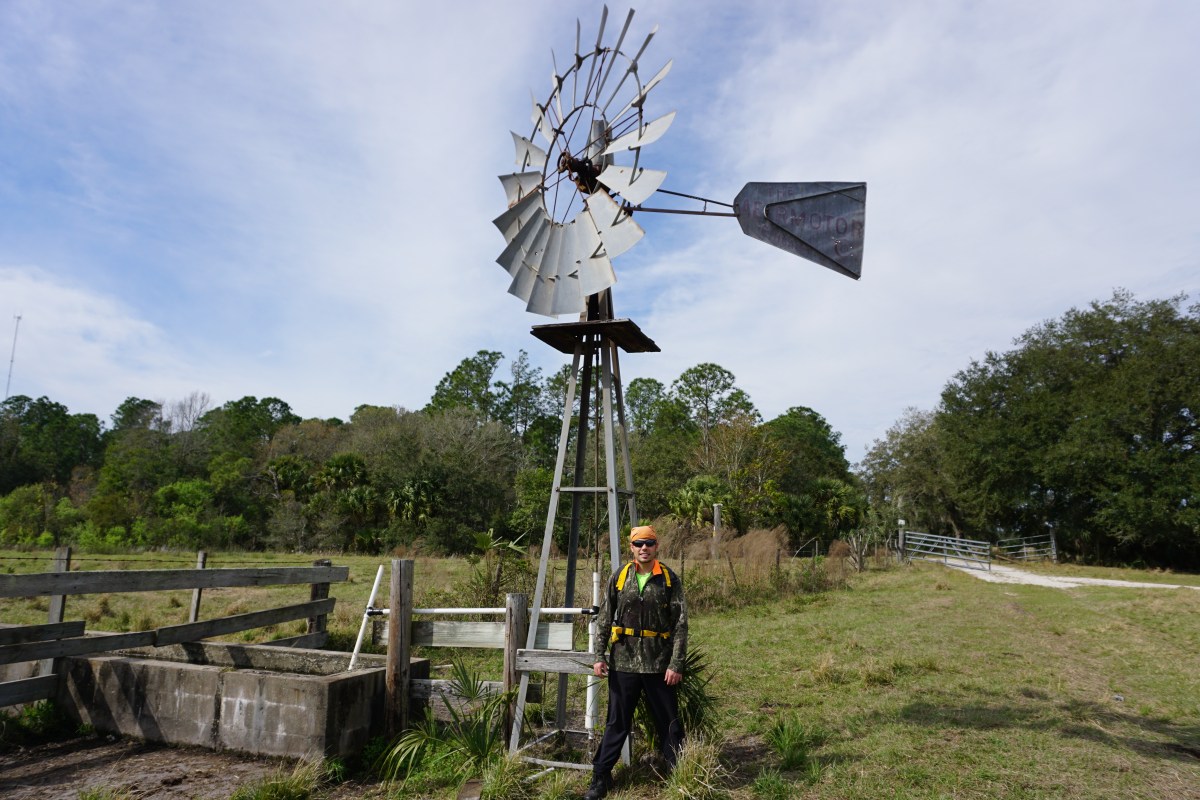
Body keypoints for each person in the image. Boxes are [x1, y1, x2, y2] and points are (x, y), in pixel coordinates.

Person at [584, 525, 688, 800]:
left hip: (659, 665)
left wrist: (676, 664)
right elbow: (605, 618)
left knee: (669, 724)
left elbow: (680, 624)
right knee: (616, 724)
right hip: (624, 664)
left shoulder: (668, 578)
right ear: (631, 547)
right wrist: (598, 656)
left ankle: (682, 775)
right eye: (639, 544)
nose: (644, 548)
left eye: (649, 543)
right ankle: (600, 778)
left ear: (656, 546)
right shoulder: (619, 577)